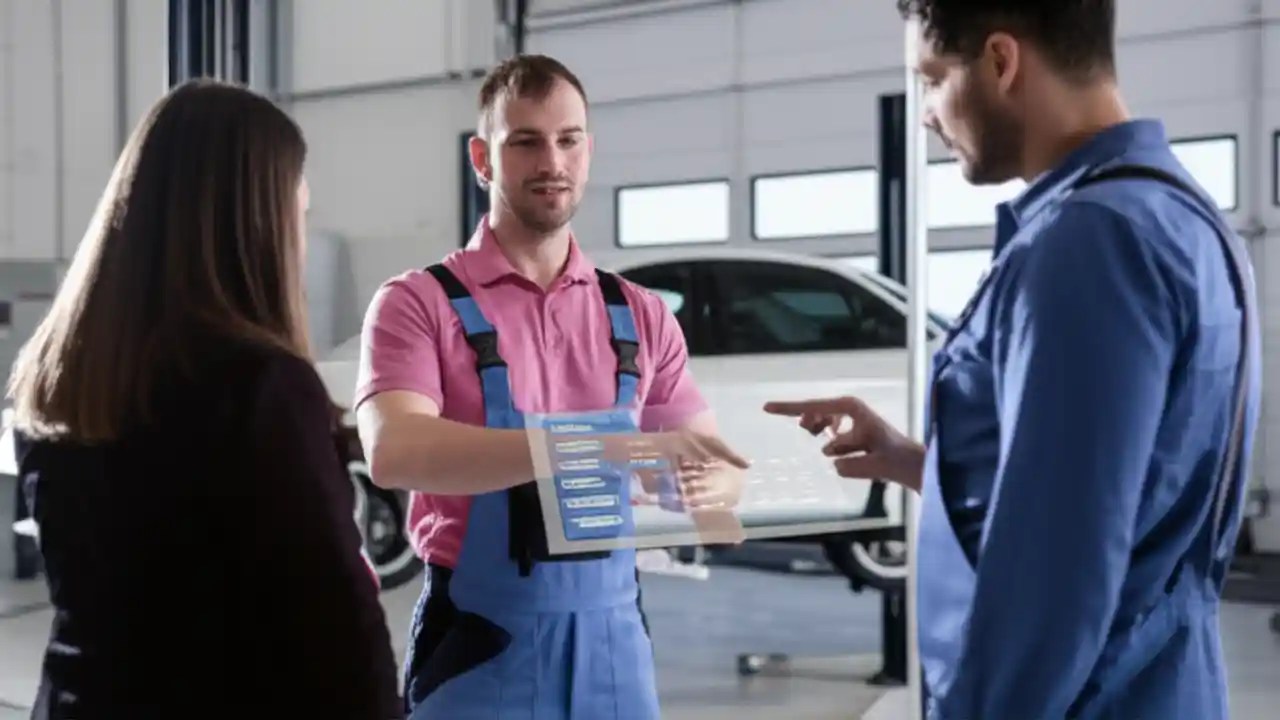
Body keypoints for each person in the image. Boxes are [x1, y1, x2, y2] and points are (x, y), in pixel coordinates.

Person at [764, 1, 1260, 718]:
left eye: (933, 79)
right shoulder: (1178, 217)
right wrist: (915, 461)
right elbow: (1124, 486)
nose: (928, 113)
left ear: (1002, 61)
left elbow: (1056, 576)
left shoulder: (1088, 243)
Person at [354, 54, 748, 719]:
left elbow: (714, 469)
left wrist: (710, 485)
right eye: (526, 142)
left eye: (568, 140)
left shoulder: (641, 313)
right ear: (482, 157)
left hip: (616, 647)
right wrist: (585, 446)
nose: (552, 162)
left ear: (588, 151)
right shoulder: (418, 303)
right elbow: (394, 449)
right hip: (482, 644)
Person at [6, 80, 402, 719]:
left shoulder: (57, 378)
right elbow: (340, 641)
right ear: (254, 225)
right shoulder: (261, 388)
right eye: (296, 214)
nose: (300, 240)